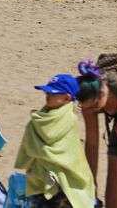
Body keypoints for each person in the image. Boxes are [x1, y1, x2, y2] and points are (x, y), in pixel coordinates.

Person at [15, 74, 95, 208]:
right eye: (47, 91)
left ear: (67, 98)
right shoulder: (40, 119)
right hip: (41, 181)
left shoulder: (68, 119)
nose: (48, 94)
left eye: (53, 93)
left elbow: (67, 150)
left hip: (64, 182)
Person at [77, 56, 117, 208]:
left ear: (103, 92)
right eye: (86, 108)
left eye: (94, 107)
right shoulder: (88, 101)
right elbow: (92, 144)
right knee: (115, 173)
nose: (90, 111)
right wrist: (91, 185)